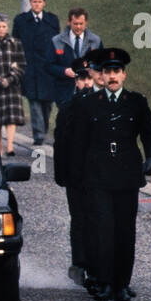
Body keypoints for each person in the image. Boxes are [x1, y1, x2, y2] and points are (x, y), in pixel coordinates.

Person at [69, 48, 151, 301]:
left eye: (116, 72)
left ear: (124, 75)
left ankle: (122, 283)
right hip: (97, 177)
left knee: (124, 230)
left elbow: (150, 134)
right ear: (103, 75)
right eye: (108, 71)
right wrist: (77, 177)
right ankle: (104, 282)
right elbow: (79, 142)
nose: (112, 76)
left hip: (127, 175)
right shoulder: (89, 103)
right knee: (102, 229)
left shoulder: (136, 102)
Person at [52, 57, 98, 288]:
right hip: (76, 176)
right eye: (82, 78)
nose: (86, 83)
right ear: (76, 81)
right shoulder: (68, 108)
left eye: (90, 78)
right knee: (79, 219)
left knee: (99, 220)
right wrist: (61, 174)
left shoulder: (103, 106)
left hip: (99, 176)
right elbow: (60, 143)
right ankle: (79, 263)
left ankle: (98, 265)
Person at [12, 0, 62, 145]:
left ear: (44, 3)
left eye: (40, 2)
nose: (37, 4)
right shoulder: (21, 20)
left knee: (47, 104)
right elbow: (15, 42)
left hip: (47, 68)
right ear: (30, 2)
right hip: (30, 67)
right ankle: (38, 135)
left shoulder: (52, 20)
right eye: (34, 1)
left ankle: (43, 129)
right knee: (33, 101)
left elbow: (58, 42)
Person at [0, 14, 26, 157]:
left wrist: (12, 78)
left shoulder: (15, 43)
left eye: (3, 26)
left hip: (12, 85)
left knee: (11, 117)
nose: (1, 29)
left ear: (7, 27)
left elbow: (21, 63)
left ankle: (10, 146)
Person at [51, 8, 102, 108]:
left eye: (81, 23)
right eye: (75, 24)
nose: (78, 27)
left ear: (86, 22)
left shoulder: (95, 41)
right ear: (69, 22)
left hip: (90, 91)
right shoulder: (56, 41)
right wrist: (64, 71)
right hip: (65, 92)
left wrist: (91, 72)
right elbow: (48, 65)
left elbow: (102, 64)